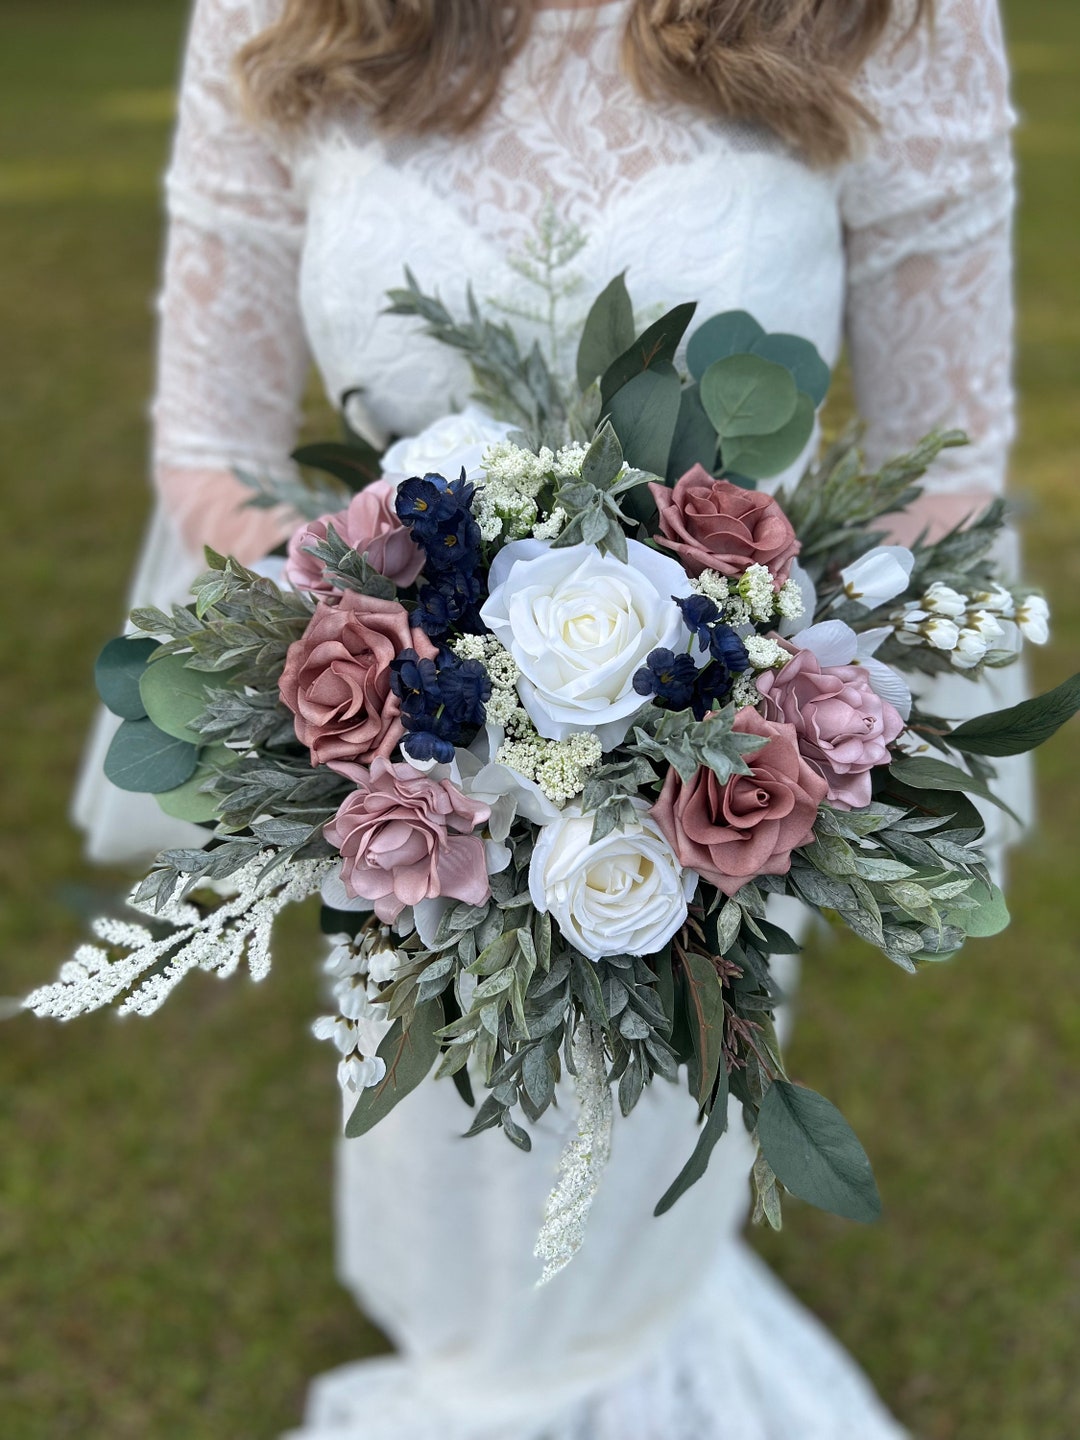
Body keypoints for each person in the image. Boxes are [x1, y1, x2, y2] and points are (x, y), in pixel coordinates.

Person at [75, 0, 1031, 1434]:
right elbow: (212, 449)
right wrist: (392, 675)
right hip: (402, 814)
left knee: (626, 1226)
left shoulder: (897, 16)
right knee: (452, 1234)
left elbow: (941, 466)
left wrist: (719, 696)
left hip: (706, 803)